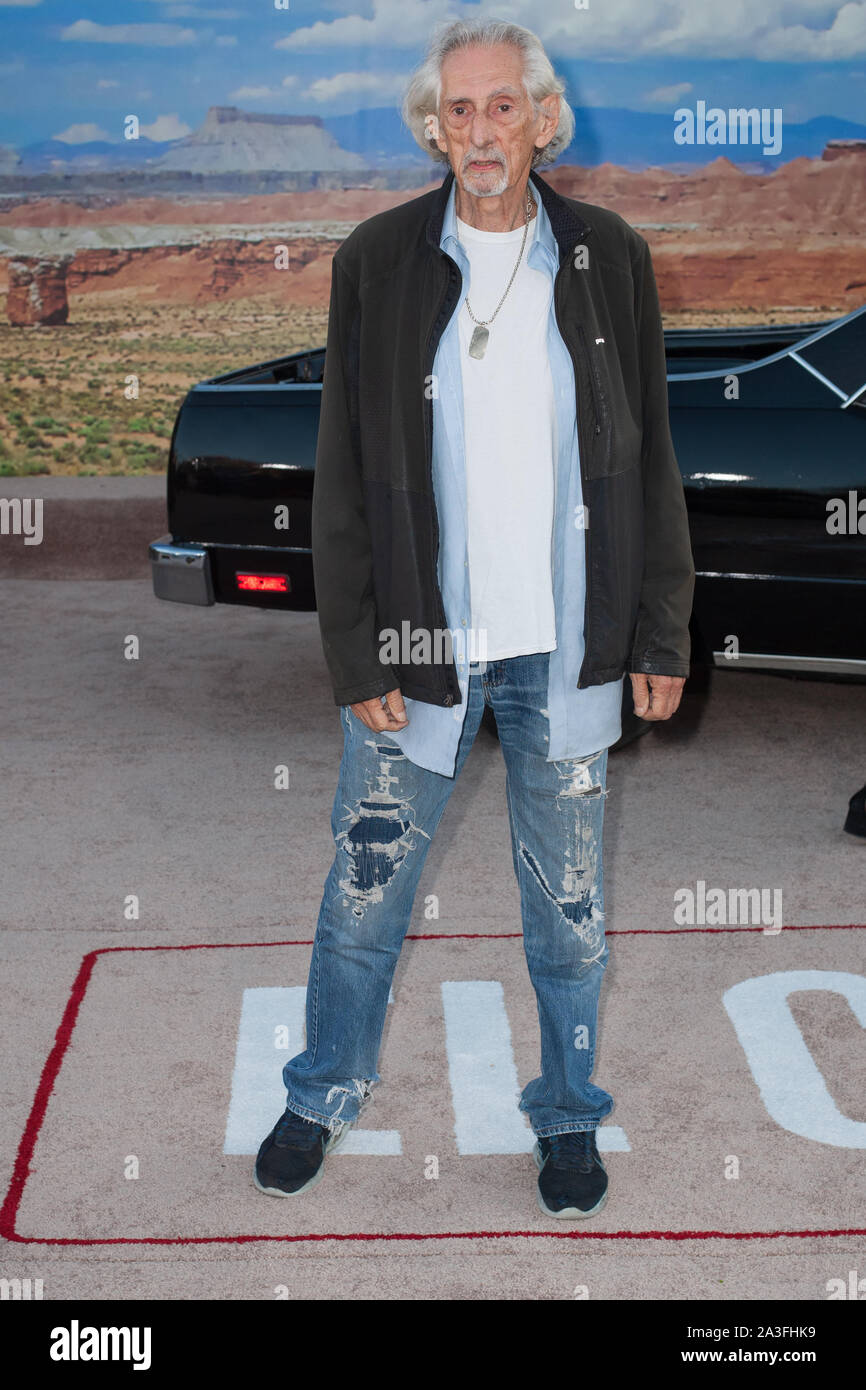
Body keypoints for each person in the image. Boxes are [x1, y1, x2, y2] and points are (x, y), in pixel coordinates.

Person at [255, 17, 695, 1220]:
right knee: (363, 896)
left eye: (504, 106)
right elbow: (343, 468)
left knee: (567, 917)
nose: (482, 131)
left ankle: (563, 1114)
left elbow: (645, 454)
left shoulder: (607, 256)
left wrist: (659, 631)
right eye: (459, 111)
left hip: (565, 641)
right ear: (431, 127)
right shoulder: (378, 260)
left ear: (542, 119)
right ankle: (321, 1090)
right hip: (417, 639)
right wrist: (354, 645)